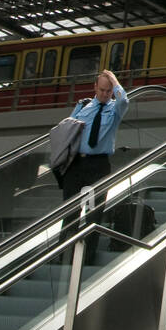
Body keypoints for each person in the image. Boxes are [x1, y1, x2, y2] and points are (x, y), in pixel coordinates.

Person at [59, 70, 130, 265]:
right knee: (70, 211)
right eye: (102, 90)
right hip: (76, 163)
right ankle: (63, 255)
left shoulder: (115, 109)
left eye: (109, 91)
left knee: (94, 212)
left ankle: (85, 259)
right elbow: (66, 130)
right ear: (95, 88)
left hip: (99, 165)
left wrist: (115, 81)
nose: (105, 94)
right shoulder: (82, 106)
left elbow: (124, 100)